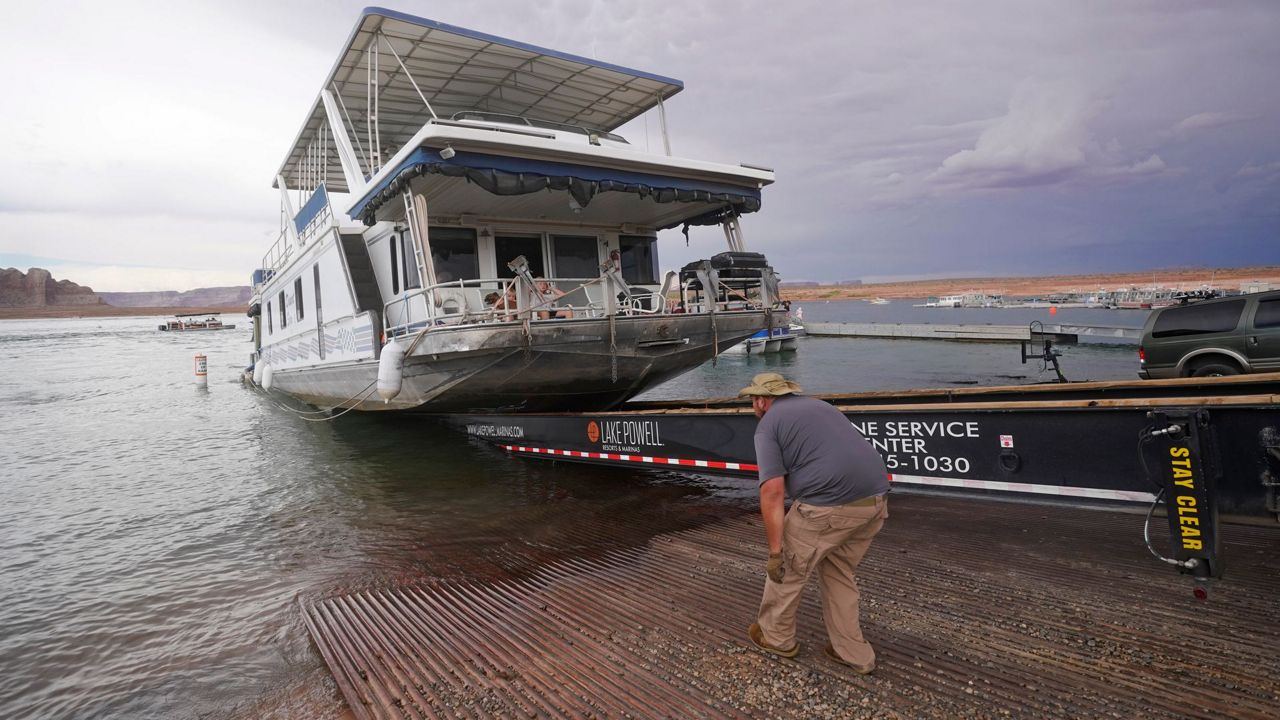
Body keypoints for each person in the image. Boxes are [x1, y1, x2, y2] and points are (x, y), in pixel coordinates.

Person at [739, 372, 889, 675]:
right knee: (838, 572)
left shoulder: (768, 425)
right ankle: (853, 652)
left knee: (788, 571)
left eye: (753, 400)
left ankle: (776, 638)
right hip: (874, 503)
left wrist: (775, 551)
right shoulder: (822, 407)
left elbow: (772, 491)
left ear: (761, 400)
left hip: (828, 508)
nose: (753, 406)